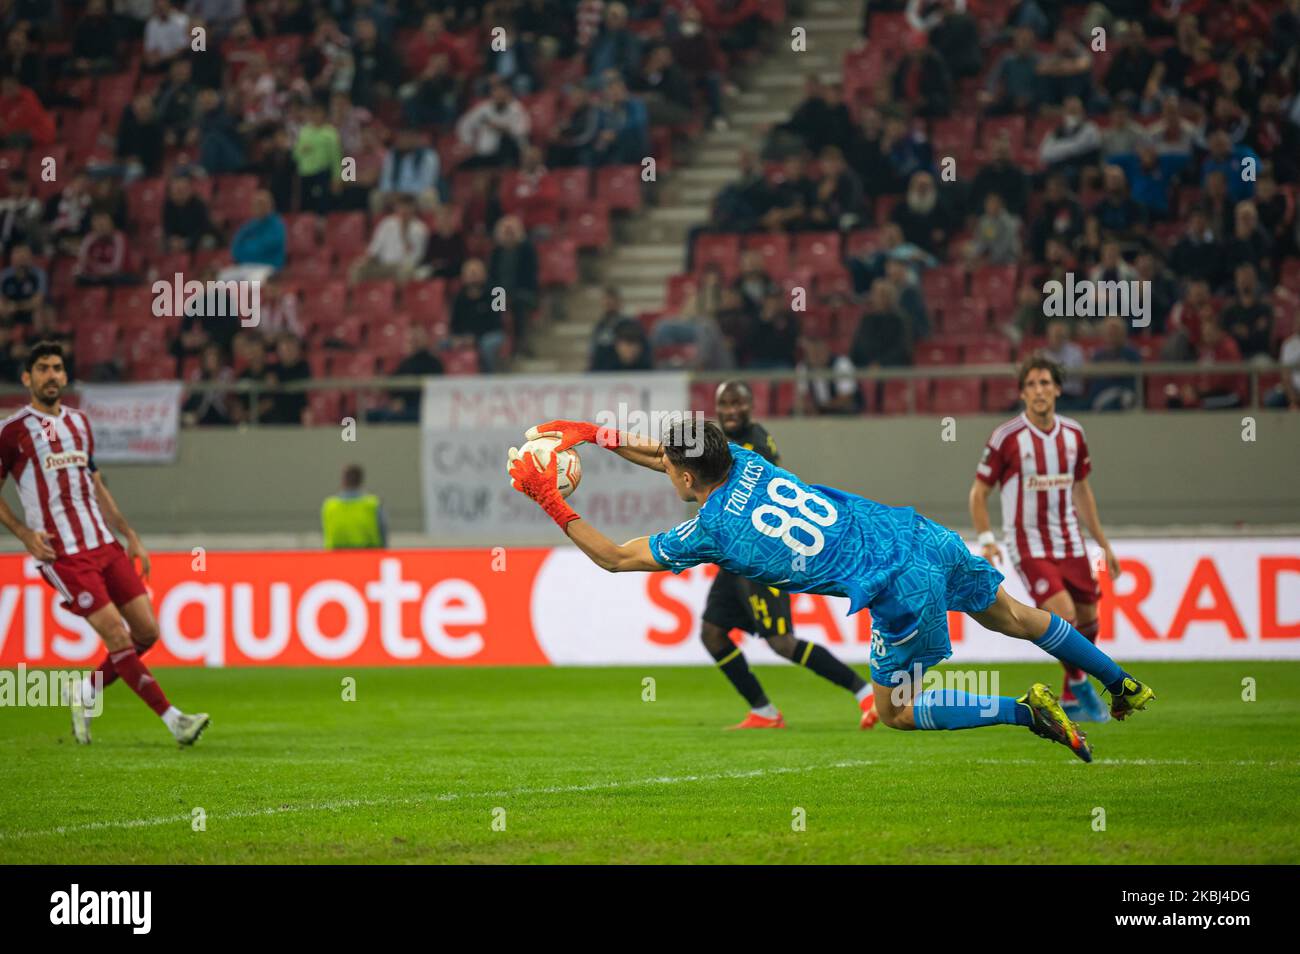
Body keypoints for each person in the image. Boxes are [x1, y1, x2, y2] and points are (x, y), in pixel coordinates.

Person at [507, 417, 1156, 762]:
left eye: (671, 467)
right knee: (1014, 614)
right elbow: (668, 453)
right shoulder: (745, 457)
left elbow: (617, 559)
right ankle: (1120, 679)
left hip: (898, 591)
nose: (665, 466)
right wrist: (591, 434)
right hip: (917, 532)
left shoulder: (710, 532)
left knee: (897, 713)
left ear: (683, 476)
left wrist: (548, 501)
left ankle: (1027, 712)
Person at [0, 341, 209, 746]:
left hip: (104, 543)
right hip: (63, 555)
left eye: (57, 368)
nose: (51, 375)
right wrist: (25, 535)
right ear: (27, 378)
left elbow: (95, 485)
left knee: (147, 632)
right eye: (42, 368)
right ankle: (174, 720)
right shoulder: (12, 431)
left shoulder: (79, 422)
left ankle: (84, 692)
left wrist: (130, 537)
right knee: (116, 635)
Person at [680, 381, 878, 730]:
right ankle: (764, 712)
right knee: (712, 632)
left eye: (738, 403)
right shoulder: (720, 444)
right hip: (734, 558)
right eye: (724, 404)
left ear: (750, 405)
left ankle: (863, 691)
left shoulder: (754, 445)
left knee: (782, 643)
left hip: (761, 558)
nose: (731, 410)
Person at [970, 357, 1123, 721]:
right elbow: (979, 493)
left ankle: (1071, 692)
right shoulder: (1006, 437)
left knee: (1089, 617)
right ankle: (1084, 687)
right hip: (1028, 545)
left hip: (1070, 541)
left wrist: (1102, 542)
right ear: (1023, 393)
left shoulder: (1074, 435)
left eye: (1045, 383)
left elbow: (1082, 490)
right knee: (1064, 614)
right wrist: (988, 538)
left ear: (1056, 389)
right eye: (1032, 385)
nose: (1039, 390)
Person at [321, 464, 387, 550]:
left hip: (336, 559)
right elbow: (383, 534)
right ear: (360, 481)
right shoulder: (373, 505)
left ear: (343, 481)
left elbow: (326, 534)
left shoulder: (329, 506)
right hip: (367, 557)